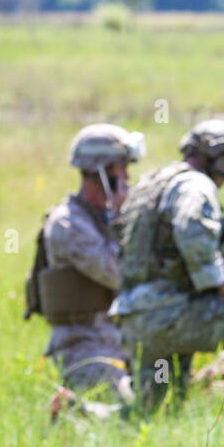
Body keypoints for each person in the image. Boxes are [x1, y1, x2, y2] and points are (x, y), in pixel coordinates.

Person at [109, 119, 224, 409]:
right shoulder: (196, 185)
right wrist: (220, 281)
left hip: (137, 320)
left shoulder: (154, 183)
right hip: (172, 318)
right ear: (222, 159)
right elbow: (190, 227)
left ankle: (78, 413)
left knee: (151, 412)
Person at [26, 122, 144, 409]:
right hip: (84, 348)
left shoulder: (104, 219)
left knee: (165, 399)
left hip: (120, 343)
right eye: (121, 168)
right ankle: (70, 410)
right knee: (132, 410)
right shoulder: (68, 225)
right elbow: (120, 274)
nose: (128, 177)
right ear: (101, 173)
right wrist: (122, 220)